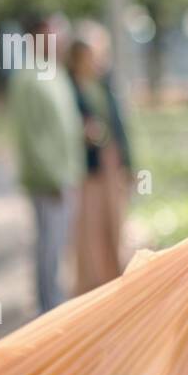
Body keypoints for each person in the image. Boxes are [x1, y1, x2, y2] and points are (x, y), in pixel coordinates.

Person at [7, 13, 83, 314]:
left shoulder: (56, 73)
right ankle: (47, 307)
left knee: (58, 245)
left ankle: (53, 302)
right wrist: (51, 178)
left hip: (66, 174)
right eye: (54, 34)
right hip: (48, 180)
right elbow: (30, 136)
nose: (60, 39)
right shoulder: (28, 77)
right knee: (48, 246)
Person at [66, 20, 133, 296]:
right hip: (87, 168)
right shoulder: (70, 86)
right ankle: (88, 289)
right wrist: (81, 130)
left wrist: (128, 163)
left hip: (111, 162)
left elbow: (119, 125)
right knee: (88, 228)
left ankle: (114, 284)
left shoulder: (106, 83)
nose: (97, 58)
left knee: (114, 224)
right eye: (92, 53)